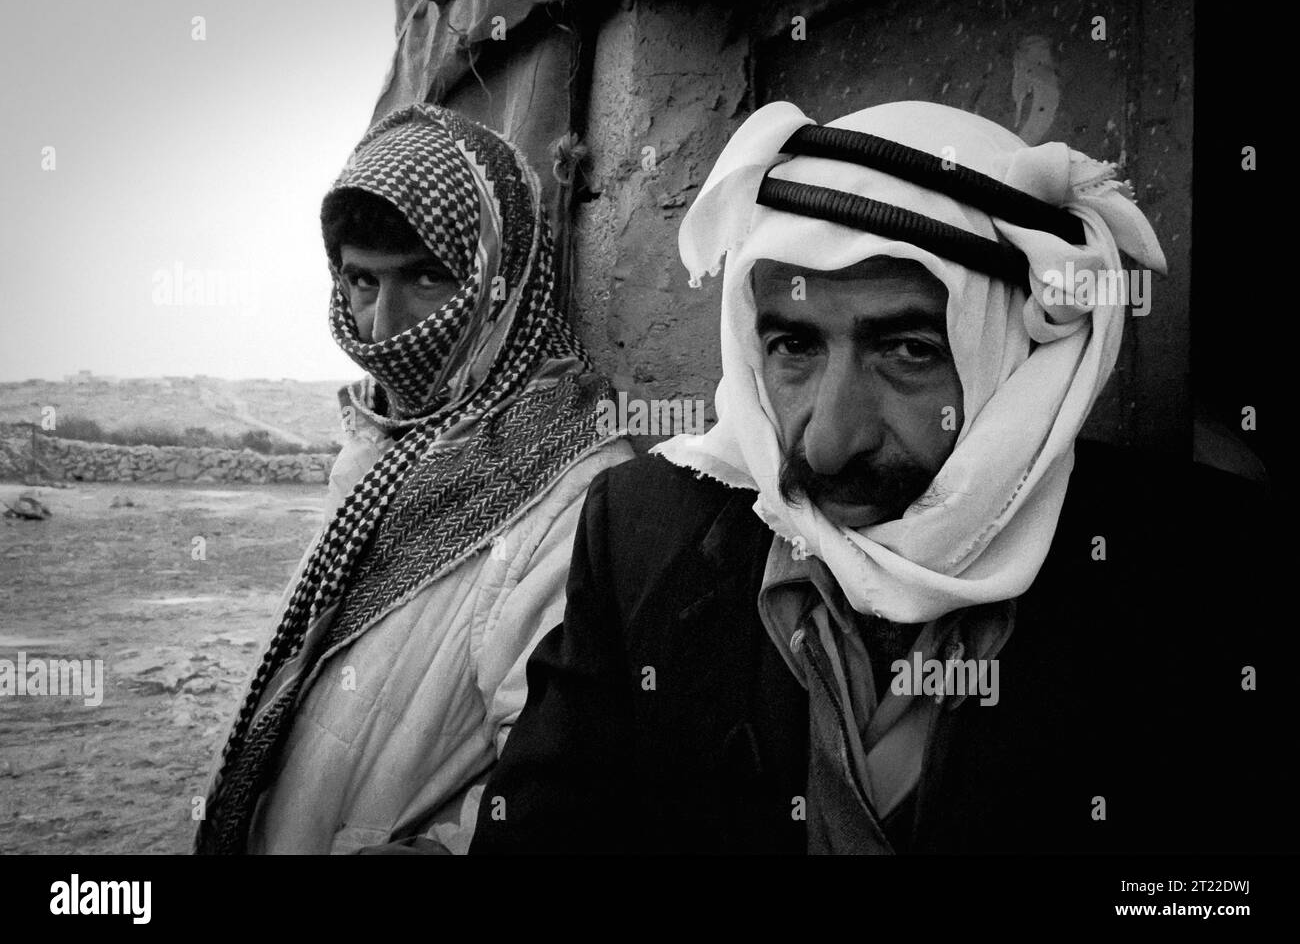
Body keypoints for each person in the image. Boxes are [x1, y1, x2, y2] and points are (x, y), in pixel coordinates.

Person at [469, 100, 1273, 854]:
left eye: (908, 352)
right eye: (794, 347)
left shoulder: (1196, 569)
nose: (826, 443)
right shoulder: (641, 534)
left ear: (1010, 357)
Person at [194, 104, 633, 854]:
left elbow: (577, 793)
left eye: (427, 278)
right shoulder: (387, 445)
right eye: (361, 282)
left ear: (505, 279)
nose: (382, 327)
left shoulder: (572, 492)